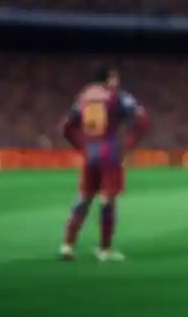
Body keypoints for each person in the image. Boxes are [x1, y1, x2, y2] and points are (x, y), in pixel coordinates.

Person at [59, 64, 149, 262]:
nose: (117, 82)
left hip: (90, 152)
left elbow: (66, 126)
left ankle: (68, 244)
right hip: (109, 152)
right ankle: (105, 248)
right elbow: (142, 119)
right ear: (109, 79)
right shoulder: (117, 96)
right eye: (115, 78)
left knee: (84, 196)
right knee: (107, 198)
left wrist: (80, 146)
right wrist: (128, 145)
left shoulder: (83, 97)